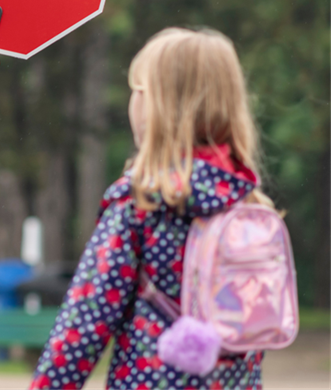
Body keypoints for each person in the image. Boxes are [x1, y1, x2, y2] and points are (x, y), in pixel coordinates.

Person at [30, 28, 270, 390]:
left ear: (155, 105)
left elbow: (84, 325)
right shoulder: (247, 205)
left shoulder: (140, 204)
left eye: (137, 91)